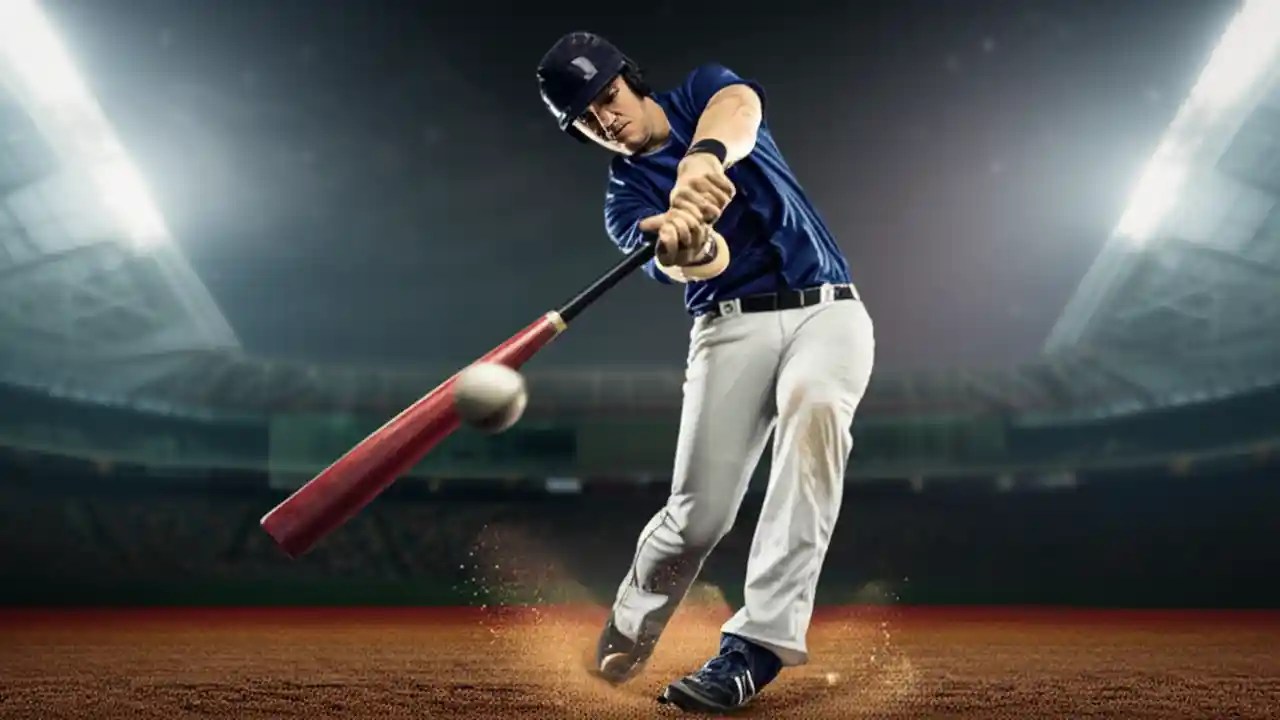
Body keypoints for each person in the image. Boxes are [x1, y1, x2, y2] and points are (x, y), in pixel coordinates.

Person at [536, 31, 876, 713]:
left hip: (829, 311)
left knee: (815, 414)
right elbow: (700, 262)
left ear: (631, 79)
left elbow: (740, 107)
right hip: (729, 328)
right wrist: (691, 239)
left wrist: (702, 161)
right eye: (589, 120)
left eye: (609, 97)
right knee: (699, 518)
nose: (608, 120)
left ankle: (754, 650)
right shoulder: (624, 203)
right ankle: (632, 622)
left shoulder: (699, 93)